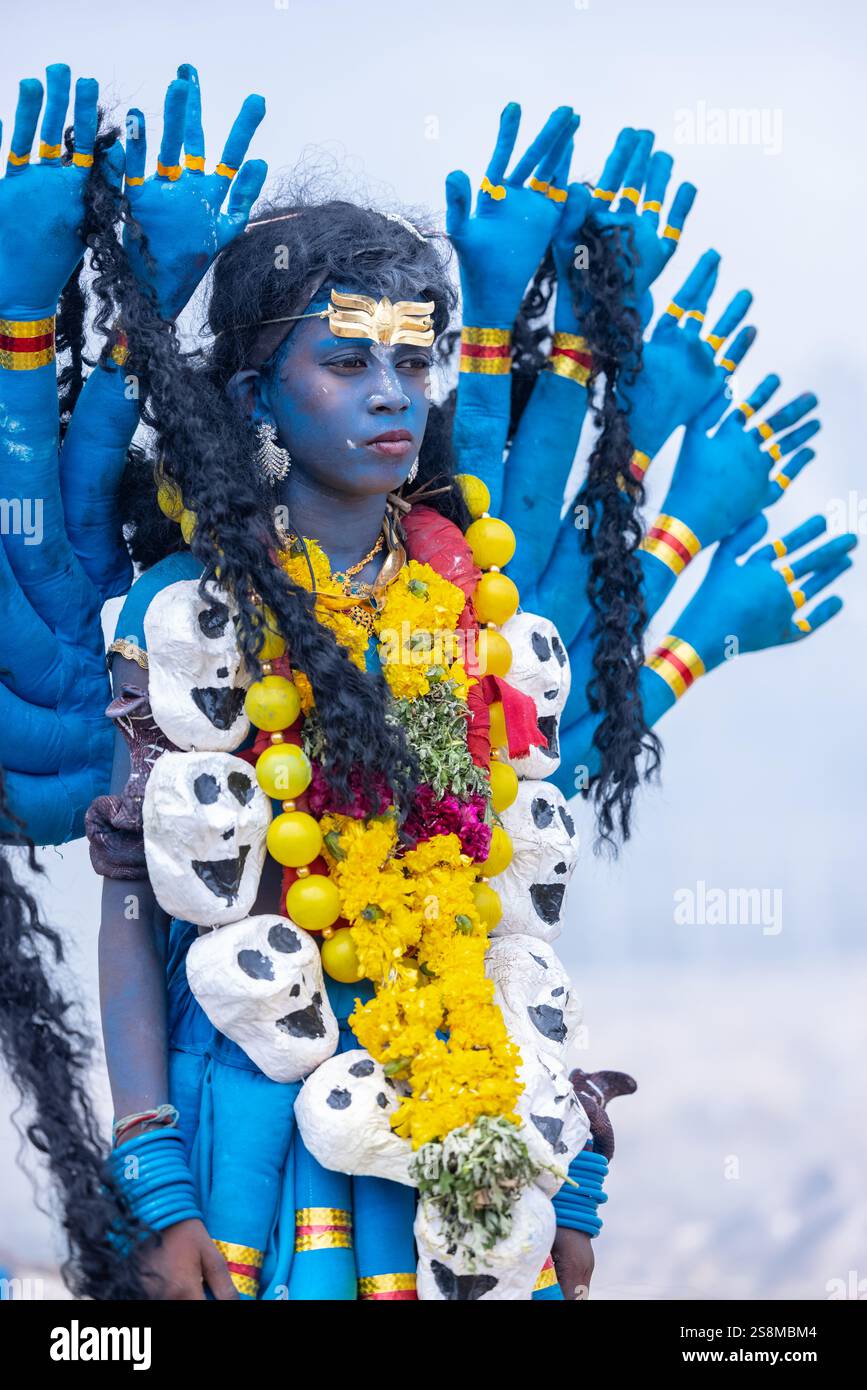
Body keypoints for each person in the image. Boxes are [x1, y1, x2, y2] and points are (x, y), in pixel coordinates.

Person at [0, 64, 855, 1300]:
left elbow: (508, 903)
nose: (394, 392)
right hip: (250, 1116)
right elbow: (133, 904)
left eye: (419, 357)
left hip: (472, 1098)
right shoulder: (185, 610)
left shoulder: (478, 601)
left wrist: (559, 1155)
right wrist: (151, 1168)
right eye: (348, 361)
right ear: (255, 399)